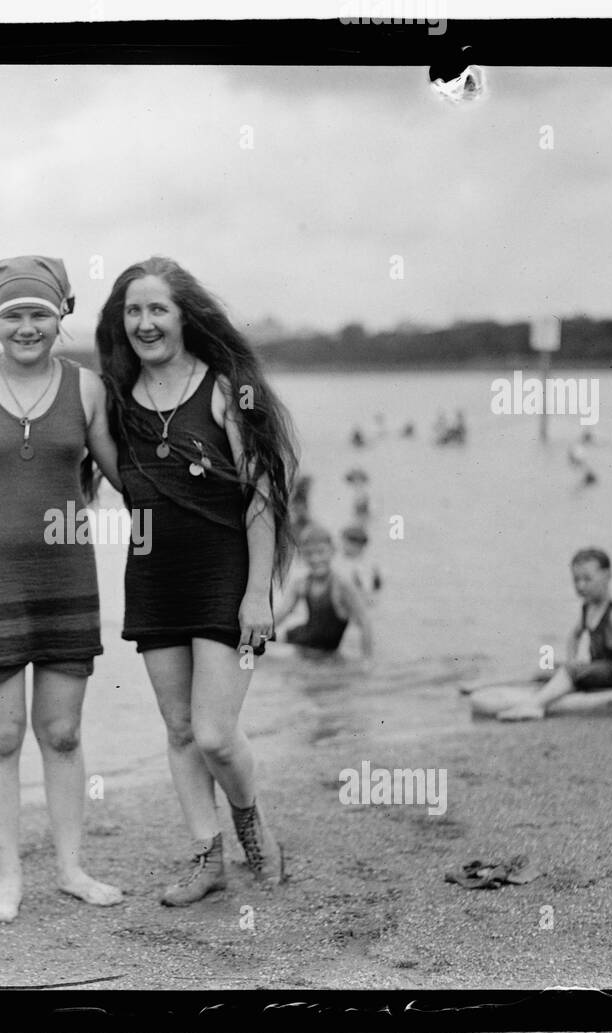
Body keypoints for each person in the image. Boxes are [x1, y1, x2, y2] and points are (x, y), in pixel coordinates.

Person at [0, 254, 124, 924]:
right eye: (13, 314)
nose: (27, 326)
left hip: (67, 574)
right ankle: (8, 879)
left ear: (62, 314)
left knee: (62, 731)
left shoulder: (88, 388)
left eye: (40, 312)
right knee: (3, 735)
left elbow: (125, 475)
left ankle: (70, 868)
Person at [95, 255, 297, 906]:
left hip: (226, 577)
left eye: (158, 309)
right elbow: (53, 409)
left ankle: (250, 821)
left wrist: (258, 591)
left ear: (185, 315)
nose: (145, 322)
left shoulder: (226, 387)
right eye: (133, 310)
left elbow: (263, 494)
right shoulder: (114, 397)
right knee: (179, 728)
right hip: (153, 577)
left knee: (215, 732)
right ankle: (206, 856)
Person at [498, 547, 612, 720]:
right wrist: (572, 659)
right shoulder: (589, 607)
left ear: (607, 576)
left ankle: (534, 706)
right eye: (576, 580)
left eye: (587, 579)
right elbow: (574, 635)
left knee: (570, 670)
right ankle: (487, 684)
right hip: (599, 668)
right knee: (547, 668)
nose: (581, 586)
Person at [274, 523, 374, 657]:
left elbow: (365, 622)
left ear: (332, 551)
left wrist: (367, 662)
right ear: (302, 555)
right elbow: (281, 615)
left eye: (320, 552)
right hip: (298, 642)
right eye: (308, 553)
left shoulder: (342, 585)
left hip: (320, 649)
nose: (315, 559)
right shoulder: (301, 584)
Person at [335, 522, 382, 605]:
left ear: (357, 545)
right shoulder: (345, 562)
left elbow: (369, 596)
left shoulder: (364, 567)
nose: (342, 546)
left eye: (345, 543)